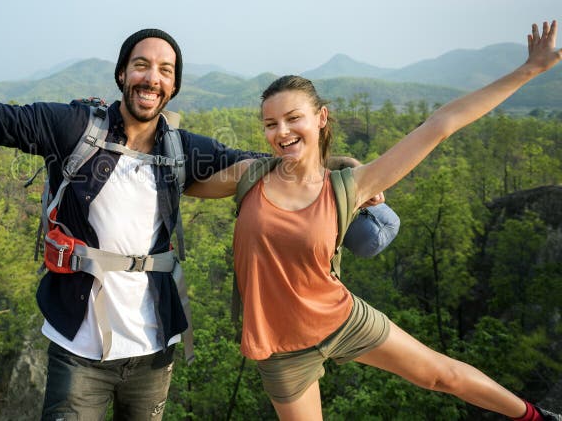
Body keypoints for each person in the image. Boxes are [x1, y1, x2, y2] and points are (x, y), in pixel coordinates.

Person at [0, 0, 395, 420]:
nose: (152, 77)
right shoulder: (71, 128)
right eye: (141, 65)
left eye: (165, 70)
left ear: (172, 86)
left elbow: (264, 166)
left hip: (155, 348)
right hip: (78, 345)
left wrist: (340, 170)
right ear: (121, 74)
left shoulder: (182, 150)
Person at [189, 22, 562, 420]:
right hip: (281, 348)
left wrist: (528, 70)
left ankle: (539, 417)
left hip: (341, 317)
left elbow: (440, 125)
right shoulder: (248, 175)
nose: (281, 132)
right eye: (270, 124)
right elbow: (178, 183)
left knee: (440, 376)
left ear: (321, 118)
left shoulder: (351, 185)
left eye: (293, 118)